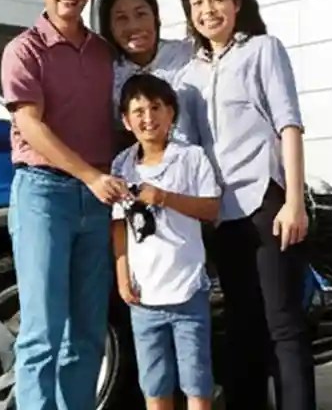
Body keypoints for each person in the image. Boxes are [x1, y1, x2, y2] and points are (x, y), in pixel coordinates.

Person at [175, 0, 316, 410]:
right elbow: (188, 149)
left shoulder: (263, 50)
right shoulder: (189, 76)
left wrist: (294, 202)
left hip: (266, 204)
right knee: (241, 327)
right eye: (197, 3)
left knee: (283, 325)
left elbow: (289, 125)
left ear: (236, 2)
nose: (207, 10)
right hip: (222, 216)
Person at [0, 0, 132, 410]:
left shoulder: (104, 53)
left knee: (87, 334)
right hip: (43, 195)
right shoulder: (24, 50)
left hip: (97, 202)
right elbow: (30, 126)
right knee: (42, 333)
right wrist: (89, 176)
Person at [110, 73, 222, 410]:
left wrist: (164, 198)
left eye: (156, 107)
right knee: (154, 384)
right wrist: (122, 278)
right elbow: (119, 227)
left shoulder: (192, 157)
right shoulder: (122, 165)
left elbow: (211, 208)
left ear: (171, 112)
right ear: (126, 120)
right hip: (144, 298)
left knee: (196, 383)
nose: (148, 117)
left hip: (188, 292)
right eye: (138, 111)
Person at [97, 0, 196, 147]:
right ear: (109, 28)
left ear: (156, 18)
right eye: (121, 18)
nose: (134, 26)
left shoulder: (187, 54)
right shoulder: (108, 76)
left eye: (141, 14)